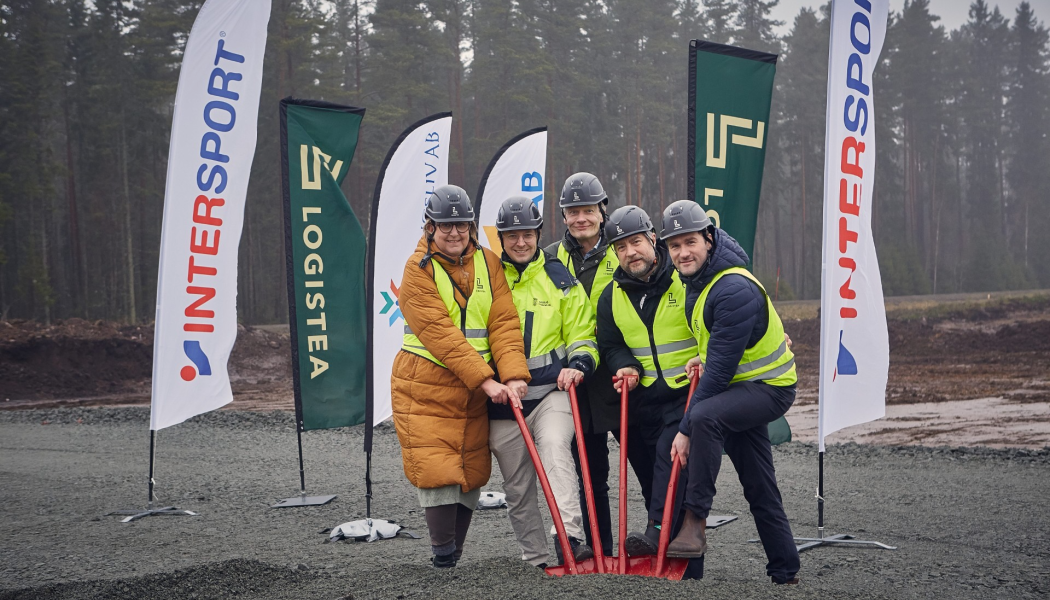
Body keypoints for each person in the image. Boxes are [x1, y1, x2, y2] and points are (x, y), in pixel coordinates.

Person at [660, 199, 801, 585]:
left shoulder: (732, 287)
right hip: (742, 389)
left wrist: (686, 429)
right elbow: (720, 350)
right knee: (759, 484)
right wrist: (701, 359)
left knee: (705, 417)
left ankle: (695, 520)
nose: (683, 252)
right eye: (675, 246)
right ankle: (785, 571)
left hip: (770, 388)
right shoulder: (699, 281)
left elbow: (721, 373)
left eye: (690, 242)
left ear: (709, 238)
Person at [391, 185, 531, 568]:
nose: (454, 233)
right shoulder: (416, 269)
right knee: (438, 471)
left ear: (471, 225)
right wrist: (487, 380)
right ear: (430, 226)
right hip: (426, 383)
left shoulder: (489, 261)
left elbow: (503, 322)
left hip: (473, 387)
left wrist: (516, 374)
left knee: (470, 472)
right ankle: (442, 557)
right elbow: (441, 335)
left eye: (461, 225)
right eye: (446, 225)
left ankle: (454, 557)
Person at [544, 173, 654, 553]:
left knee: (643, 460)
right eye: (573, 212)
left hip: (623, 372)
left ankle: (662, 535)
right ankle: (600, 551)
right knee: (590, 474)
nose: (581, 219)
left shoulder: (623, 247)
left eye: (588, 210)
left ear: (602, 210)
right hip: (578, 378)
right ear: (563, 215)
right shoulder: (550, 258)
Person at [489, 196, 599, 568]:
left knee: (554, 448)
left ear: (538, 234)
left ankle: (568, 537)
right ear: (500, 238)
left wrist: (580, 362)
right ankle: (537, 561)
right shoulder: (487, 280)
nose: (521, 242)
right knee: (517, 487)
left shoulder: (559, 278)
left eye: (528, 234)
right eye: (512, 236)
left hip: (552, 393)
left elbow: (583, 333)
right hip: (502, 403)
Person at [593, 205, 702, 579]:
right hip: (641, 404)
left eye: (636, 242)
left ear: (653, 239)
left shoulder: (686, 281)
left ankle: (660, 536)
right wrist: (624, 363)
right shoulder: (611, 297)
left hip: (684, 397)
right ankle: (670, 565)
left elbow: (715, 322)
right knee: (653, 480)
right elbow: (609, 344)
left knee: (669, 459)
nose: (630, 253)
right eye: (620, 247)